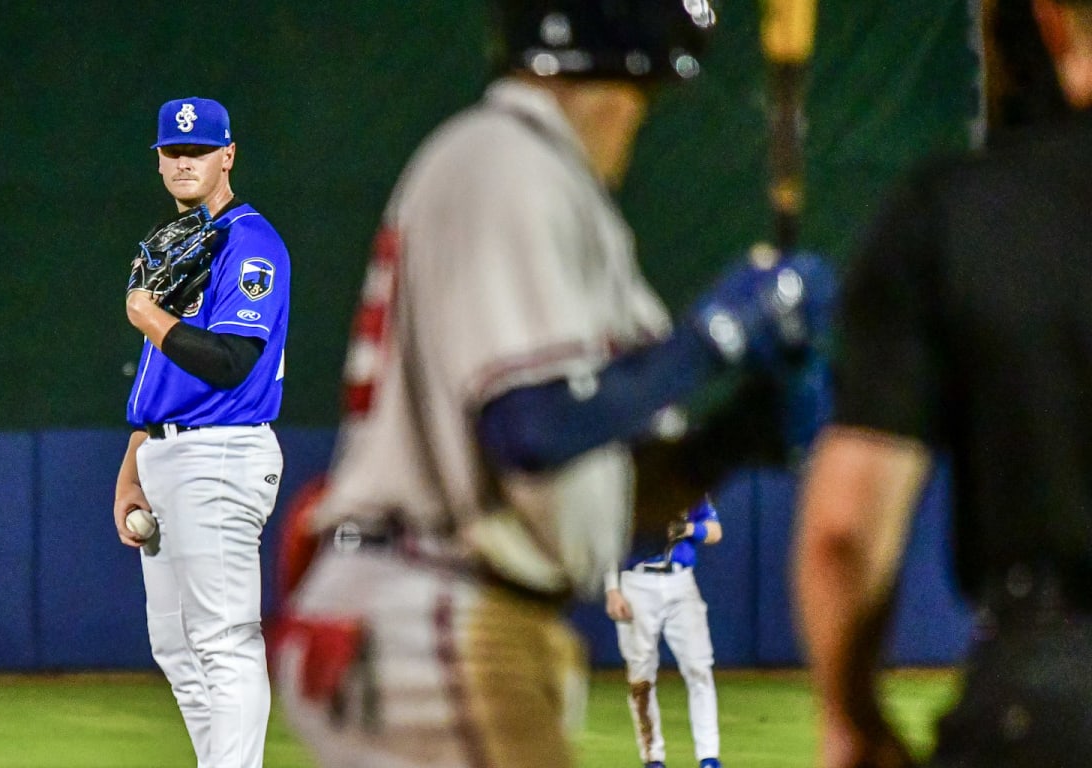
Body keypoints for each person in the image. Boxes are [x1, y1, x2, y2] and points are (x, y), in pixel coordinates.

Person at [271, 2, 831, 766]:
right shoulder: (504, 159)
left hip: (447, 604)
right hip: (436, 600)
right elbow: (528, 431)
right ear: (614, 75)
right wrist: (715, 339)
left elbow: (607, 492)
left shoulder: (557, 195)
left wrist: (738, 436)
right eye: (649, 96)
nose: (641, 118)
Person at [793, 1, 1092, 765]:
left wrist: (855, 721)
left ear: (1052, 25)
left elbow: (842, 533)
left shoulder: (961, 209)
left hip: (1048, 698)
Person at [114, 96, 291, 768]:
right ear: (159, 160)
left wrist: (149, 316)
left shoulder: (250, 242)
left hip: (222, 451)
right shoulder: (181, 244)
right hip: (169, 452)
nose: (184, 161)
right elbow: (165, 384)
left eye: (199, 150)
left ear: (228, 155)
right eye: (173, 152)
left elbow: (229, 362)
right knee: (178, 648)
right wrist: (133, 469)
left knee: (223, 641)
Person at [606, 496, 725, 768]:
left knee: (699, 667)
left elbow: (715, 531)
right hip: (636, 580)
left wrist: (689, 530)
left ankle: (709, 757)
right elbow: (608, 539)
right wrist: (612, 589)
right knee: (641, 676)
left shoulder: (688, 483)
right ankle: (653, 758)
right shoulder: (634, 480)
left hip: (681, 581)